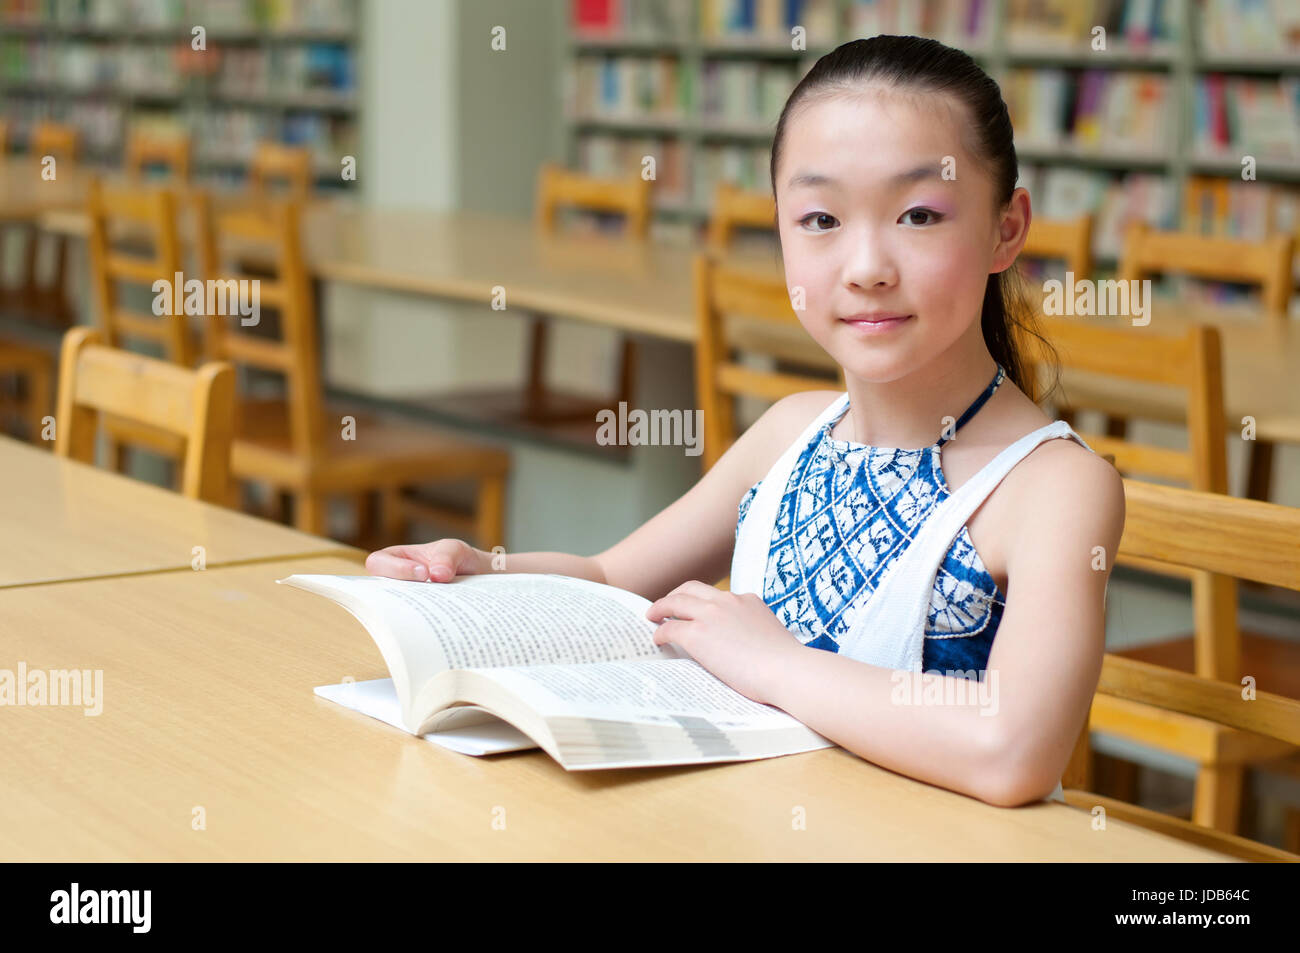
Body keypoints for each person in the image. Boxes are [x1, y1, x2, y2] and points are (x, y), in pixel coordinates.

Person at [366, 35, 1125, 808]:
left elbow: (1015, 749)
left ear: (1006, 228)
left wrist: (774, 662)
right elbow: (610, 580)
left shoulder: (1054, 487)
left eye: (919, 213)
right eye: (821, 218)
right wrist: (479, 572)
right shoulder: (790, 430)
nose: (865, 265)